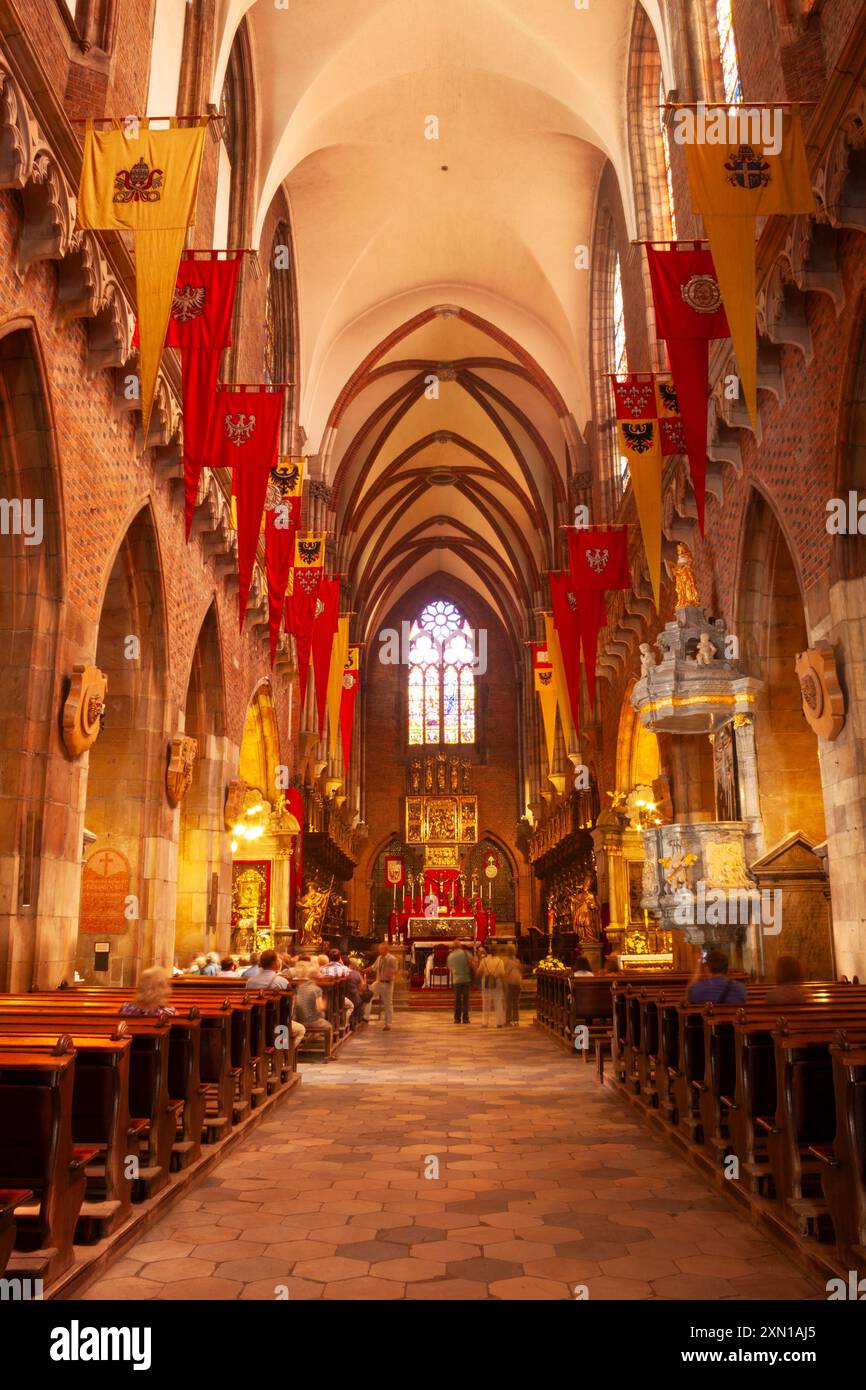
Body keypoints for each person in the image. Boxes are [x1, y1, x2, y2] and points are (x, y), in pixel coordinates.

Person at [292, 976, 333, 1058]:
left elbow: (294, 1004)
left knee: (319, 1017)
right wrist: (325, 1003)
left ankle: (306, 1043)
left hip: (298, 1020)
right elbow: (320, 1008)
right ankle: (329, 1054)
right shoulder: (317, 989)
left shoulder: (299, 987)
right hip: (311, 1021)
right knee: (329, 1026)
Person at [363, 942, 399, 1030]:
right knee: (368, 995)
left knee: (387, 1004)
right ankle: (365, 1017)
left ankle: (388, 1024)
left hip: (387, 983)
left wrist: (391, 972)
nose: (379, 951)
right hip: (378, 982)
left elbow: (396, 971)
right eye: (379, 949)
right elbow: (373, 967)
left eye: (381, 949)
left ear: (386, 949)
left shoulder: (392, 959)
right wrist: (364, 970)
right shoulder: (379, 958)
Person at [477, 945, 505, 1028]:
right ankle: (499, 1022)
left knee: (486, 1004)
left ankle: (485, 1023)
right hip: (497, 983)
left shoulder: (484, 960)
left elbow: (479, 972)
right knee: (498, 1002)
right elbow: (502, 973)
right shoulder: (500, 961)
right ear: (496, 952)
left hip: (486, 984)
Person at [447, 940, 474, 1024]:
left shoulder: (450, 956)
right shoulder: (466, 953)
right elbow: (472, 964)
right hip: (466, 979)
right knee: (466, 1000)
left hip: (456, 980)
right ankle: (465, 1018)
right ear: (460, 946)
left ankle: (457, 1018)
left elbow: (450, 968)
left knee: (457, 1000)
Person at [503, 944, 522, 1027]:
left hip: (510, 983)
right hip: (517, 983)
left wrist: (504, 983)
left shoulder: (505, 961)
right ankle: (516, 1020)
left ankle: (508, 1021)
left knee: (509, 1003)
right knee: (515, 1003)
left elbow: (504, 973)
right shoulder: (517, 961)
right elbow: (520, 972)